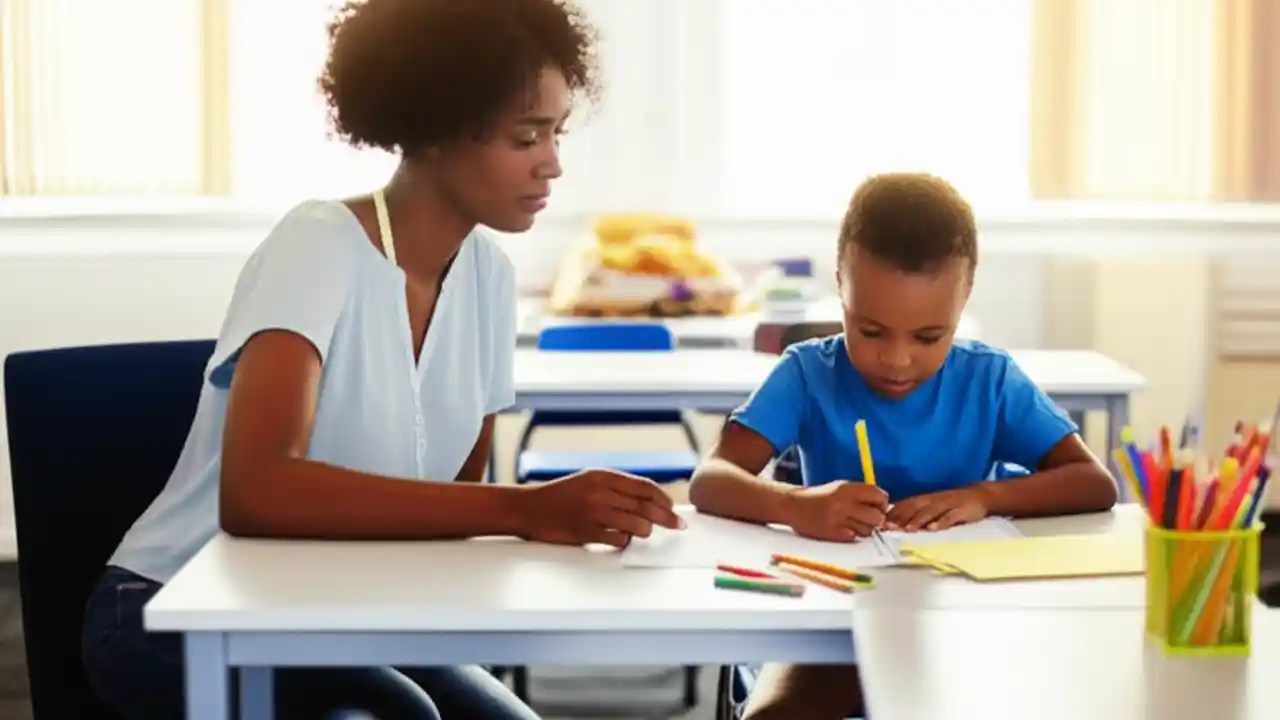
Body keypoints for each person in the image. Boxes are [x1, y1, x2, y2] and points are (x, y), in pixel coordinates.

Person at [81, 1, 684, 718]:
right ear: (434, 129)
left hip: (336, 617)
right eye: (528, 136)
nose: (553, 163)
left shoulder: (489, 279)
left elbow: (456, 509)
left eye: (556, 133)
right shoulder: (318, 245)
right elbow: (257, 492)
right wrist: (526, 509)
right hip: (176, 612)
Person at [688, 172, 1118, 719]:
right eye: (869, 331)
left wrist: (984, 496)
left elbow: (1093, 484)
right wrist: (795, 505)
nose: (896, 360)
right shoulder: (807, 374)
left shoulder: (988, 380)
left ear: (963, 302)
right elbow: (712, 479)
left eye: (927, 337)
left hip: (965, 614)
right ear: (840, 286)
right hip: (834, 617)